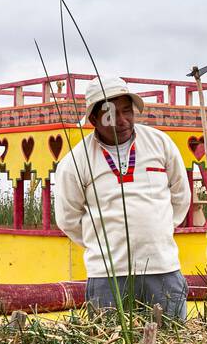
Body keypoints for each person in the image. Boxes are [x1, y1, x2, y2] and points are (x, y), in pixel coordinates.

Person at [54, 77, 193, 319]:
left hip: (163, 267)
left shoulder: (160, 144)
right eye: (110, 114)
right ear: (93, 120)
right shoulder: (75, 162)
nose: (122, 121)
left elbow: (181, 195)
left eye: (127, 111)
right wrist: (102, 244)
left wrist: (159, 231)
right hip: (107, 274)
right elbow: (68, 219)